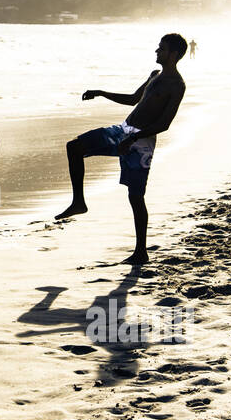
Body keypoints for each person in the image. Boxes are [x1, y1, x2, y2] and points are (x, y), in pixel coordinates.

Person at [54, 33, 187, 265]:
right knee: (74, 147)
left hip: (142, 143)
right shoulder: (155, 75)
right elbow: (133, 99)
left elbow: (164, 124)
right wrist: (101, 92)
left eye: (161, 49)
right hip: (122, 130)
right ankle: (78, 202)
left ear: (174, 54)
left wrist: (135, 139)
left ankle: (140, 252)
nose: (157, 51)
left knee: (136, 197)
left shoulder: (176, 85)